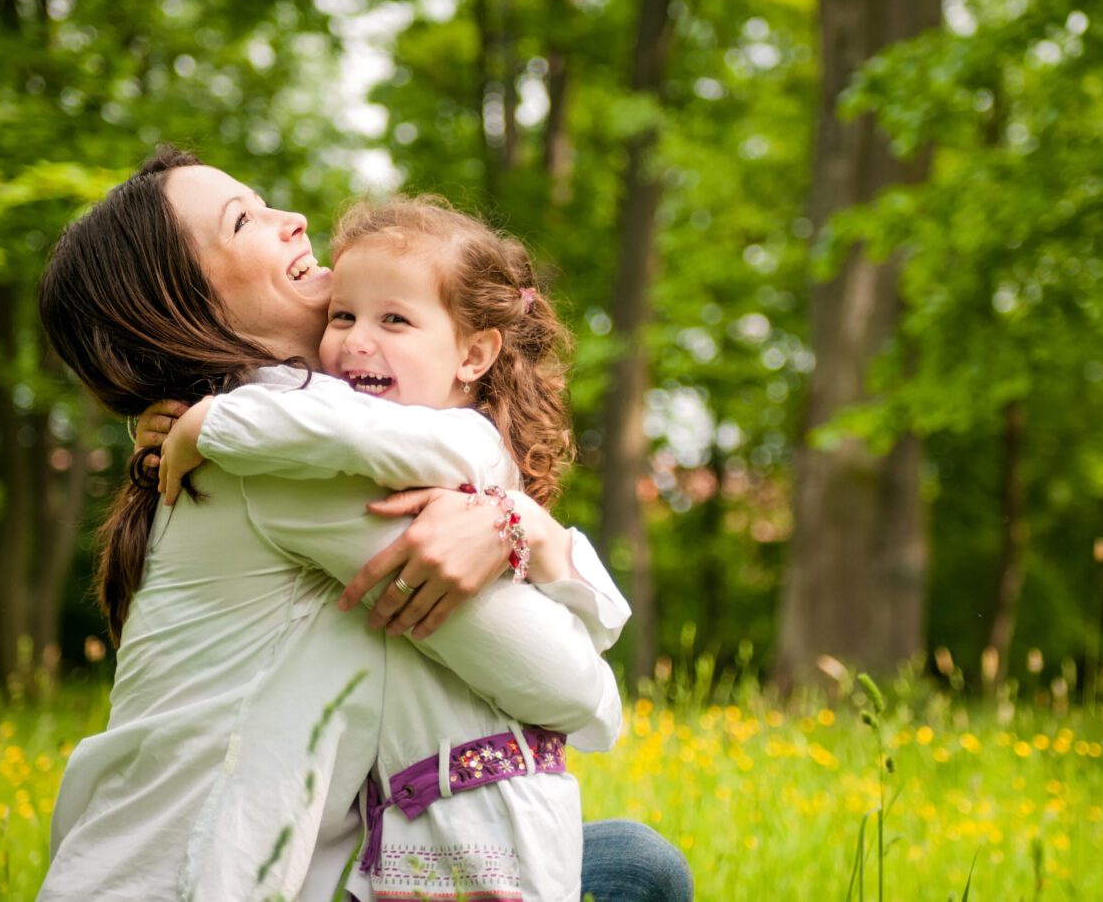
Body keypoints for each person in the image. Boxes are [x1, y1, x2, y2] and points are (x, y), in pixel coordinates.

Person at [35, 147, 692, 901]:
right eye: (245, 220)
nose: (293, 220)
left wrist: (516, 523)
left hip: (278, 868)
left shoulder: (263, 429)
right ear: (182, 302)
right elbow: (580, 697)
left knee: (624, 860)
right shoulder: (285, 454)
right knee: (639, 867)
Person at [150, 195, 603, 900]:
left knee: (636, 860)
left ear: (474, 354)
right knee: (637, 861)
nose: (356, 339)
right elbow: (337, 431)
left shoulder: (453, 443)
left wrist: (214, 422)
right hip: (417, 825)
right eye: (344, 317)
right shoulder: (342, 448)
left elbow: (588, 684)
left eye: (393, 319)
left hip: (491, 819)